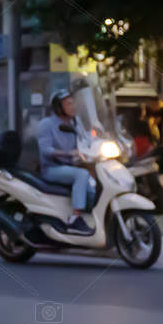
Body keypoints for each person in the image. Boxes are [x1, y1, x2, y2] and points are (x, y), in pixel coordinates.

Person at [37, 88, 97, 234]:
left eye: (73, 103)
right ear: (59, 108)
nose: (73, 106)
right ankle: (75, 219)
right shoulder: (47, 124)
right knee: (81, 175)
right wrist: (68, 153)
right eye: (68, 104)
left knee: (94, 188)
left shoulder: (75, 123)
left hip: (70, 167)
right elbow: (46, 150)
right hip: (52, 169)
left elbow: (86, 140)